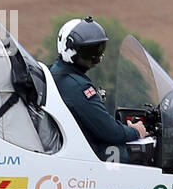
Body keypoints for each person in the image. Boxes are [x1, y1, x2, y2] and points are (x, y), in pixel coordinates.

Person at [50, 17, 148, 161]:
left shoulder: (56, 73)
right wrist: (135, 131)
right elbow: (109, 131)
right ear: (68, 48)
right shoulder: (77, 86)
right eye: (88, 52)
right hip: (87, 158)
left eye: (98, 50)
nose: (94, 57)